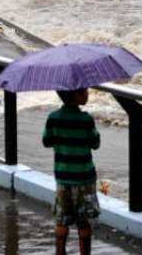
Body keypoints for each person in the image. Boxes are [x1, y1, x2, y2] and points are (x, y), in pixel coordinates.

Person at [42, 87, 101, 255]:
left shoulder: (53, 118)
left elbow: (47, 141)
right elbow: (95, 143)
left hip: (63, 178)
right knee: (84, 225)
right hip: (84, 179)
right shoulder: (86, 119)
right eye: (84, 91)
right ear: (76, 95)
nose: (87, 93)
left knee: (61, 221)